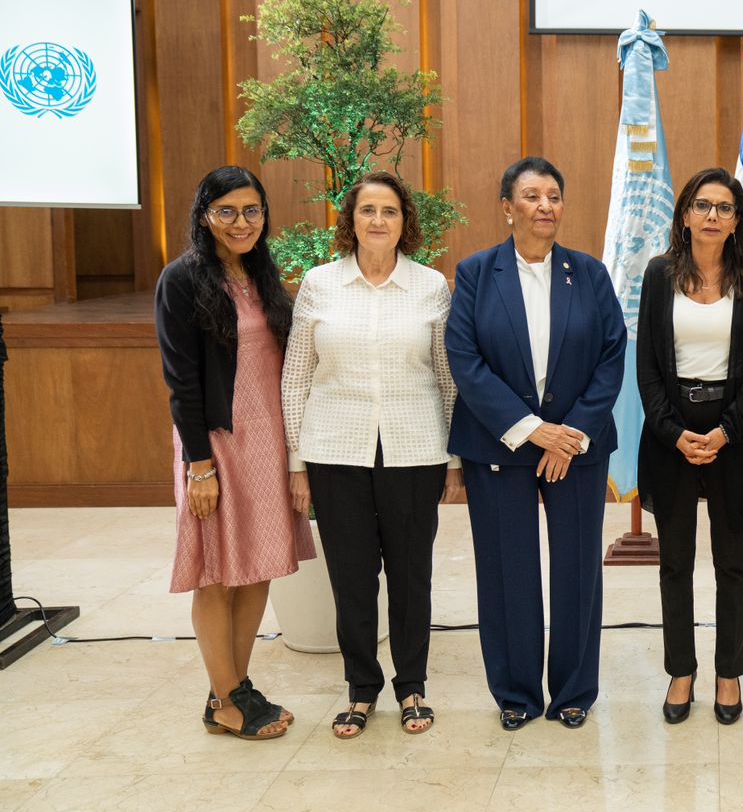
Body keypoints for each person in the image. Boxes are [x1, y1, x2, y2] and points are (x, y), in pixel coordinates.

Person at [281, 172, 464, 739]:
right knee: (352, 578)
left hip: (415, 450)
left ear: (405, 222)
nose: (378, 220)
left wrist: (453, 460)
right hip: (336, 451)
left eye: (389, 211)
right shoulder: (319, 284)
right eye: (368, 210)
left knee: (411, 577)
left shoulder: (430, 286)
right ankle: (361, 689)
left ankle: (412, 686)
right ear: (351, 220)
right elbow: (296, 377)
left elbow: (448, 377)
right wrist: (296, 462)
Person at [446, 156, 626, 731]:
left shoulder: (589, 273)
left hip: (577, 446)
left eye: (553, 195)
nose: (544, 205)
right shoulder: (476, 273)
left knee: (577, 568)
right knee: (508, 570)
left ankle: (573, 690)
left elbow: (611, 355)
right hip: (499, 445)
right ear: (508, 207)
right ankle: (516, 692)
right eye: (531, 195)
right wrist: (532, 430)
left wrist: (567, 436)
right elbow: (465, 361)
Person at [155, 165, 314, 741]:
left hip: (268, 444)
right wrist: (199, 466)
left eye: (251, 211)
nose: (241, 222)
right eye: (226, 211)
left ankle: (231, 692)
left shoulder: (262, 275)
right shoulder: (181, 280)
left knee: (257, 569)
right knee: (217, 574)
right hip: (218, 447)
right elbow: (182, 381)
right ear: (205, 216)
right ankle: (226, 697)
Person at [637, 168, 743, 726]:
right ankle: (680, 671)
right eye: (702, 205)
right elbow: (647, 366)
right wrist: (673, 432)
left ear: (737, 220)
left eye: (724, 207)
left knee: (732, 564)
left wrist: (726, 431)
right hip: (671, 432)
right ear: (686, 215)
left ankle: (728, 672)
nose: (713, 216)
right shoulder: (659, 274)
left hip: (731, 433)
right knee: (675, 563)